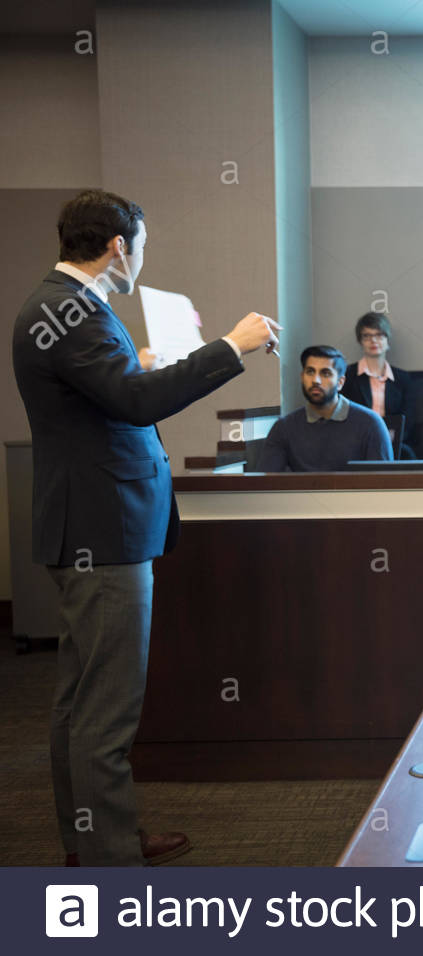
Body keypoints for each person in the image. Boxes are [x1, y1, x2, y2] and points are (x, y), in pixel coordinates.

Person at [12, 188, 279, 865]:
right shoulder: (72, 311)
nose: (141, 259)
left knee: (80, 701)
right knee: (105, 710)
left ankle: (95, 841)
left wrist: (152, 361)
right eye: (143, 245)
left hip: (91, 530)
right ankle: (110, 863)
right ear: (118, 247)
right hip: (102, 535)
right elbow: (133, 403)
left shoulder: (62, 305)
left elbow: (108, 391)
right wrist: (230, 345)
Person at [259, 346, 393, 471]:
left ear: (340, 382)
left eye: (325, 373)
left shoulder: (370, 424)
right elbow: (265, 485)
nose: (316, 380)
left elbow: (383, 486)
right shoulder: (284, 427)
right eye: (310, 372)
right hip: (302, 496)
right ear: (302, 377)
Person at [340, 311, 415, 456]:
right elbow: (343, 415)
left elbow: (408, 420)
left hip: (394, 442)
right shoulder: (347, 375)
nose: (373, 341)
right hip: (356, 441)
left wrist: (391, 437)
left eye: (379, 335)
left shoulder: (403, 379)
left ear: (388, 340)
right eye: (367, 336)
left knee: (406, 453)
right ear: (360, 341)